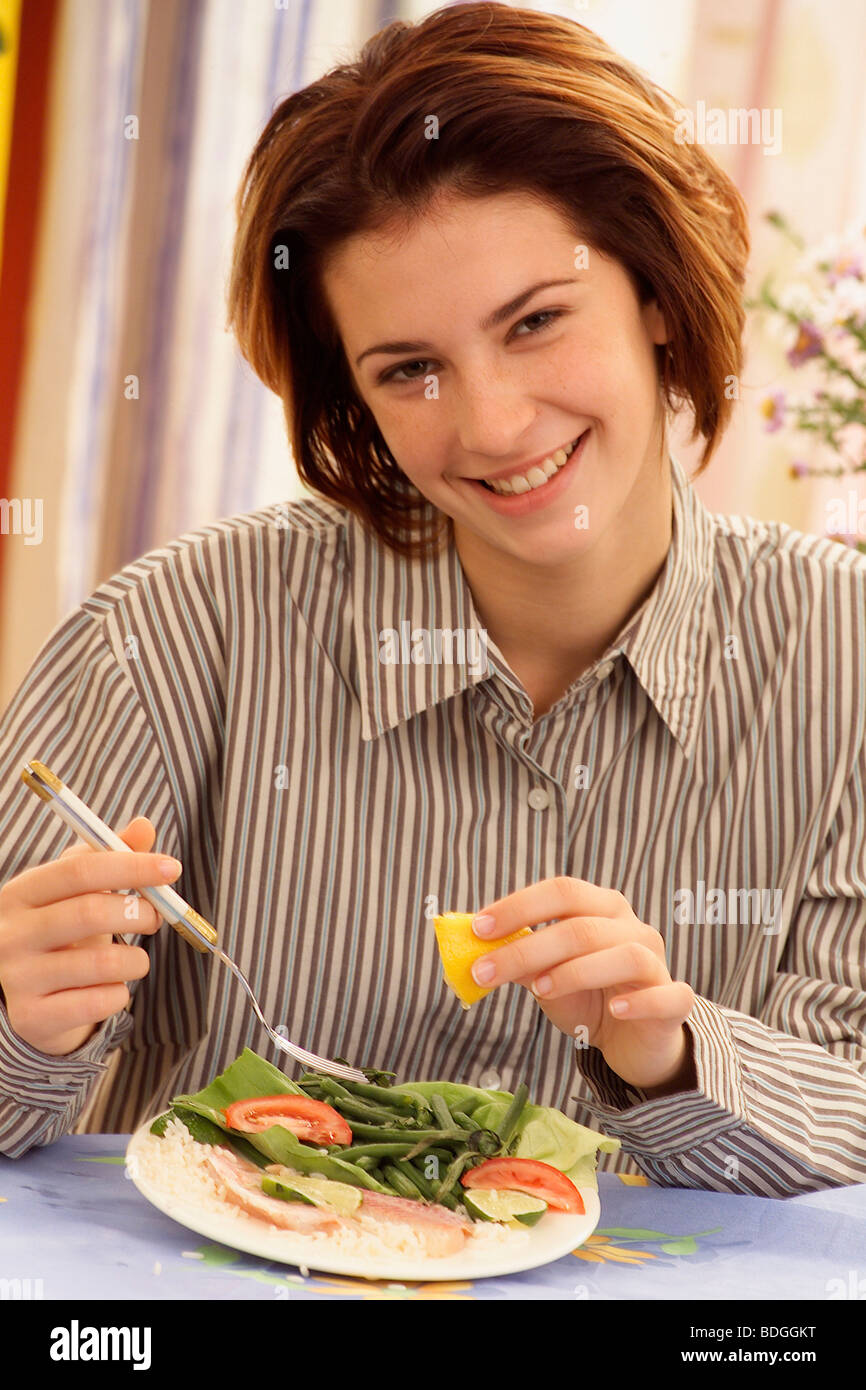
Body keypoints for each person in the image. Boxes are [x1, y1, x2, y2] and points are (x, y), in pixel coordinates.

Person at [1, 2, 864, 1197]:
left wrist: (666, 1057)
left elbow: (850, 1116)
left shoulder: (844, 661)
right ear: (352, 403)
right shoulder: (168, 635)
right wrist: (21, 1020)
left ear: (656, 297)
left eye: (536, 322)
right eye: (409, 369)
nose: (493, 425)